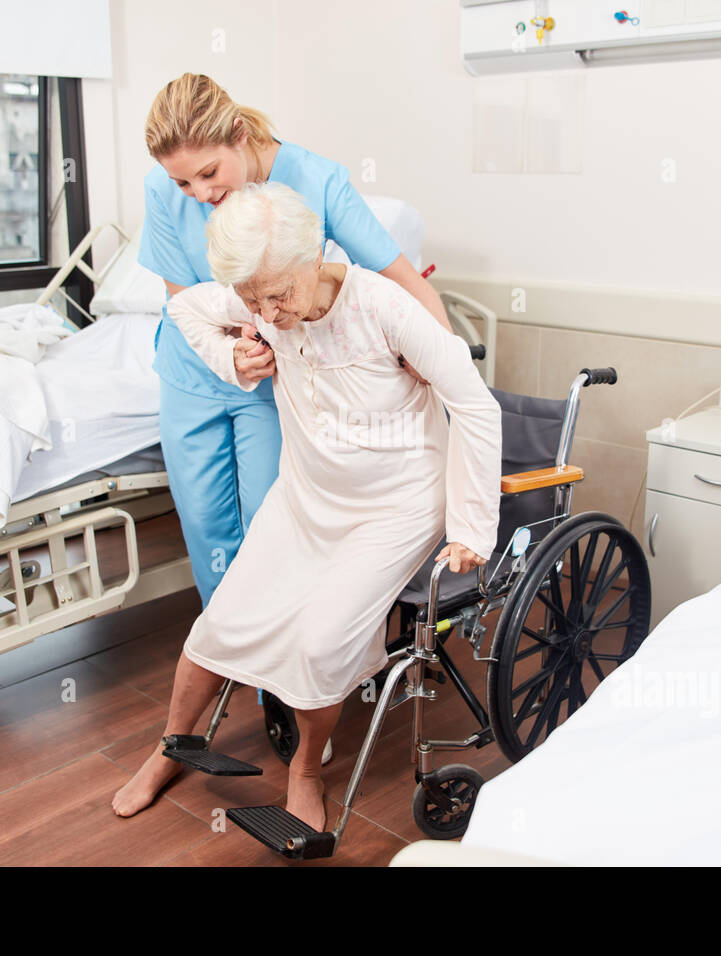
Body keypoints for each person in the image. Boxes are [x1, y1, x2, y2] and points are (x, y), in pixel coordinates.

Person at [112, 183, 501, 830]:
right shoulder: (259, 296)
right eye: (252, 300)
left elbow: (475, 405)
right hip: (306, 495)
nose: (268, 312)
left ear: (316, 256)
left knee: (319, 645)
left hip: (395, 506)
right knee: (221, 622)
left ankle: (306, 770)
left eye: (279, 295)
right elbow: (185, 309)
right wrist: (231, 355)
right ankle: (170, 748)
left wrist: (471, 526)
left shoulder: (384, 307)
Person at [138, 73, 450, 612]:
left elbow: (401, 277)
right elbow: (184, 299)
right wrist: (227, 353)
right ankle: (231, 646)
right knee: (208, 533)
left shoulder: (316, 180)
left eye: (209, 173)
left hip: (276, 381)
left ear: (239, 134)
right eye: (185, 184)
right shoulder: (161, 189)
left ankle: (282, 656)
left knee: (275, 527)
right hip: (191, 375)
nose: (201, 195)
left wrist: (444, 359)